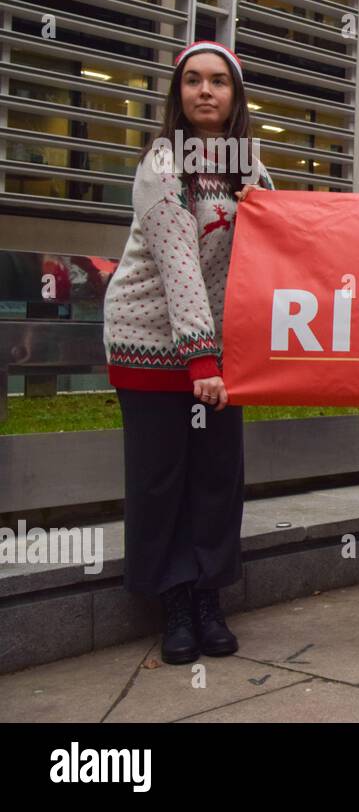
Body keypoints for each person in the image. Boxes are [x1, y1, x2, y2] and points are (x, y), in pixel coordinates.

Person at [103, 41, 272, 665]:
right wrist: (200, 359)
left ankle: (208, 596)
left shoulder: (249, 169)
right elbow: (178, 267)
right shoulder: (161, 163)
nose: (206, 91)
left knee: (217, 479)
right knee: (160, 479)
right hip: (149, 345)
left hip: (219, 357)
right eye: (193, 81)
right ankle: (173, 600)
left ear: (235, 96)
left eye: (219, 82)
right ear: (178, 95)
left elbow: (282, 244)